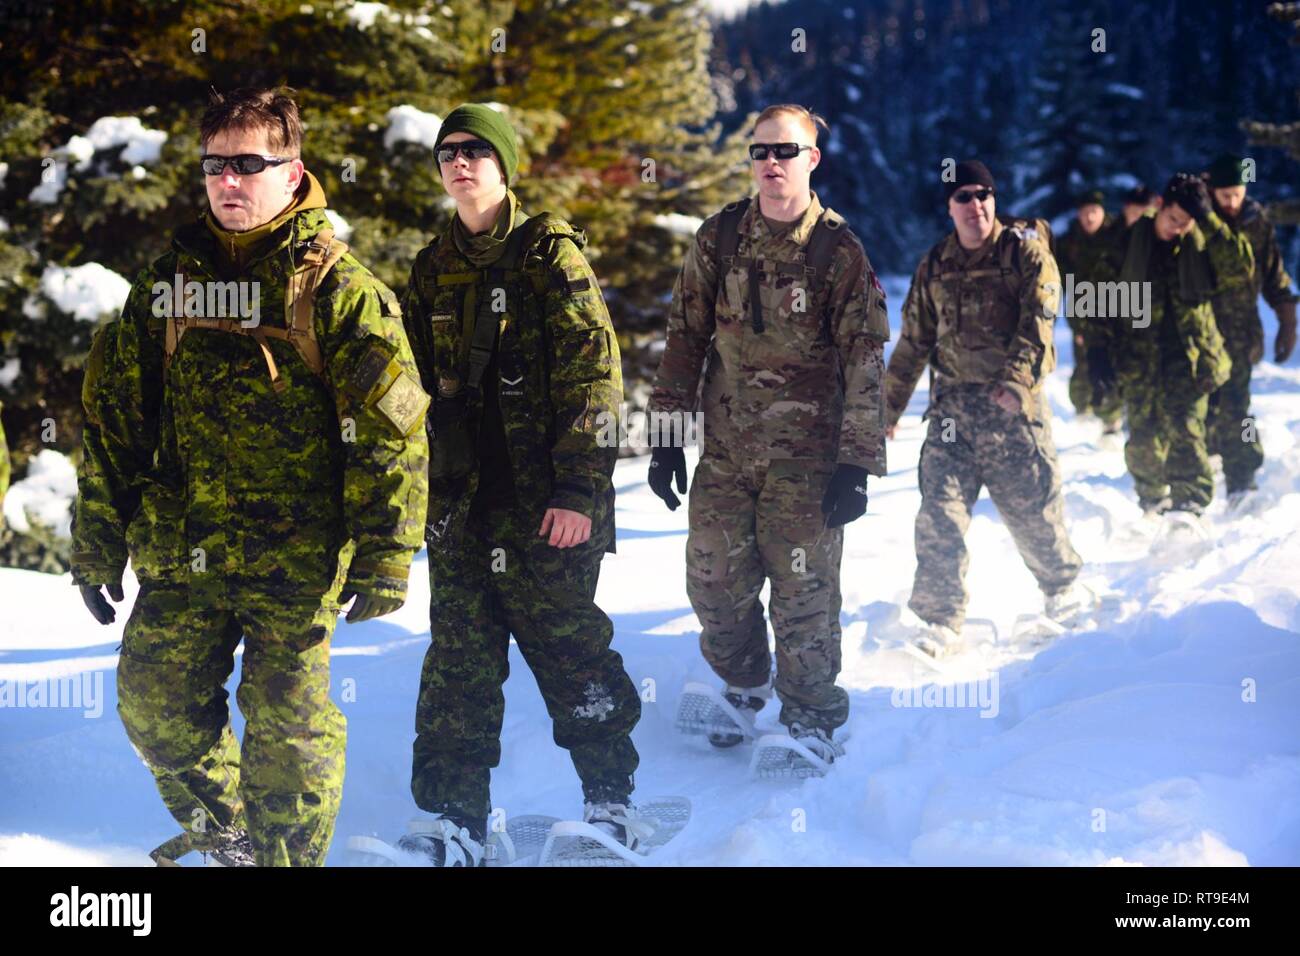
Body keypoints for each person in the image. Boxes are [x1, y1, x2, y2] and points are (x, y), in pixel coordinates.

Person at [71, 87, 429, 866]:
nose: (227, 181)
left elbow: (391, 433)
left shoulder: (338, 289)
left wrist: (385, 551)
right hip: (184, 549)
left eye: (247, 164)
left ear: (294, 170)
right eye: (213, 166)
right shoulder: (167, 286)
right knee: (153, 705)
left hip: (294, 559)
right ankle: (224, 834)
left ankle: (285, 863)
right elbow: (115, 425)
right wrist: (96, 542)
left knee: (287, 731)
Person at [400, 104, 640, 865]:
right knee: (457, 670)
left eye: (475, 150)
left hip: (545, 509)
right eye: (448, 152)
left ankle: (612, 806)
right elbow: (404, 386)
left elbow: (593, 379)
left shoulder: (550, 254)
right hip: (463, 511)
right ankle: (455, 823)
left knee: (571, 654)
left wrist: (576, 492)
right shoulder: (431, 267)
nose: (460, 162)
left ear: (506, 165)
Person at [647, 104, 889, 764]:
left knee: (803, 594)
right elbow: (685, 337)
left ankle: (811, 715)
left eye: (786, 149)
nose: (771, 162)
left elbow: (866, 359)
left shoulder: (838, 252)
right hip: (725, 453)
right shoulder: (720, 238)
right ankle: (745, 684)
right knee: (714, 582)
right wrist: (667, 433)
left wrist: (856, 464)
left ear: (814, 158)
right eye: (760, 151)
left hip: (807, 464)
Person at [885, 160, 1088, 657]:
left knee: (1034, 515)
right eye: (963, 197)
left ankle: (1063, 589)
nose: (974, 205)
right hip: (952, 416)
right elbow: (913, 340)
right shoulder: (935, 264)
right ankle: (939, 620)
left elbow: (1039, 324)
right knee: (940, 516)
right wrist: (886, 409)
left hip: (1012, 414)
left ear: (993, 200)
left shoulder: (1025, 255)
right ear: (949, 206)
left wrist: (1016, 383)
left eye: (983, 195)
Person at [1085, 172, 1250, 522]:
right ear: (1160, 206)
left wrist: (1207, 217)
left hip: (1189, 358)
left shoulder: (1203, 242)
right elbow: (1096, 297)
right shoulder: (1128, 243)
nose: (1180, 228)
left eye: (1188, 222)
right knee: (1143, 440)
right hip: (1139, 357)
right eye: (1174, 219)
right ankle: (1152, 500)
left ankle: (1189, 507)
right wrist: (1097, 353)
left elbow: (1240, 267)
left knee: (1186, 433)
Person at [1203, 155, 1298, 505]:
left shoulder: (1257, 222)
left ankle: (1243, 475)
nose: (1231, 202)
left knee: (1238, 410)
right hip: (1199, 335)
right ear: (1212, 192)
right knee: (1205, 407)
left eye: (1237, 194)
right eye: (1224, 195)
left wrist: (1288, 320)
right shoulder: (1200, 220)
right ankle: (1211, 456)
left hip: (1242, 336)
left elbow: (1274, 274)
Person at [1056, 189, 1122, 432]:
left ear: (1102, 212)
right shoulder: (1069, 242)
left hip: (1114, 311)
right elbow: (1057, 277)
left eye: (1094, 212)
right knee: (1084, 363)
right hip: (1081, 314)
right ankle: (1083, 407)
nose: (1089, 218)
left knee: (1112, 363)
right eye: (1085, 213)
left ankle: (1111, 416)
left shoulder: (1116, 235)